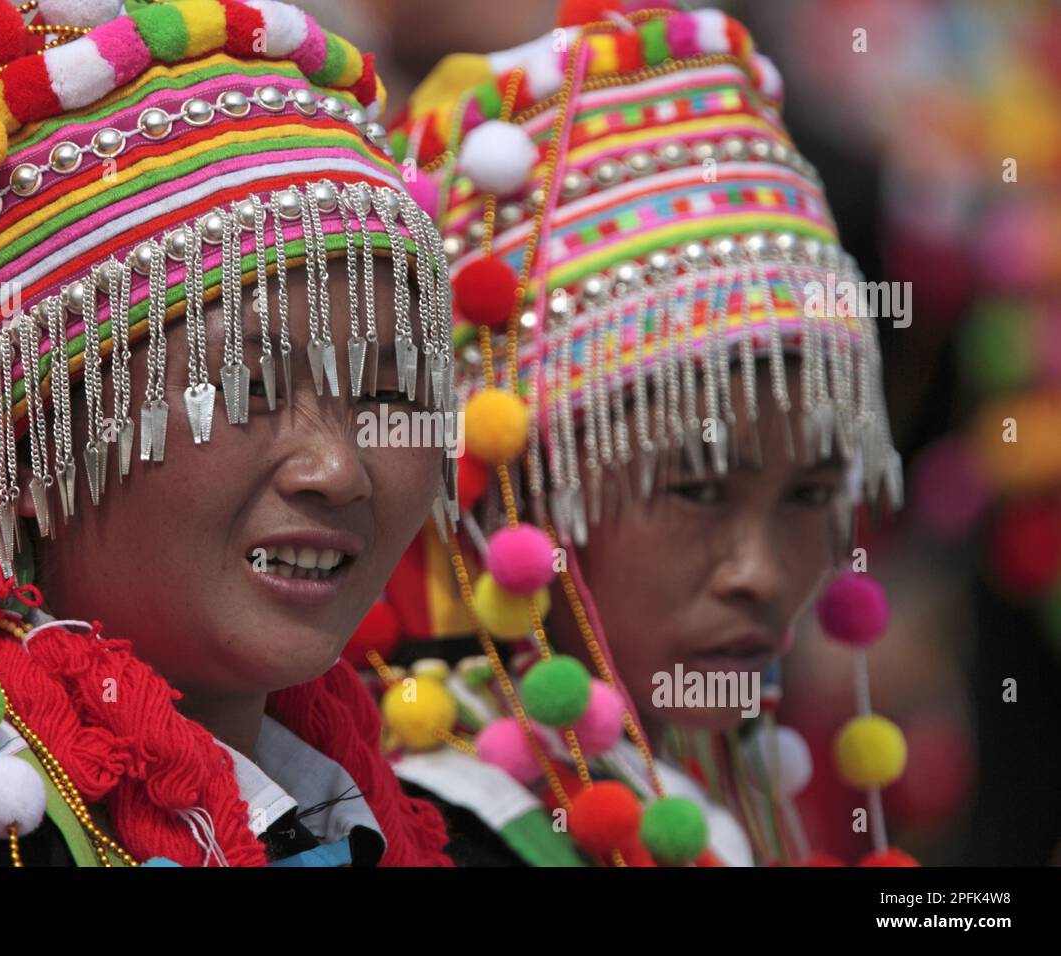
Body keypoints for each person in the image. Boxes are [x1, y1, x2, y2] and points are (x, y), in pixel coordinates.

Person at [0, 0, 457, 867]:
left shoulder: (357, 811)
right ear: (23, 452)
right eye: (245, 387)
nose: (336, 469)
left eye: (387, 392)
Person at [359, 0, 912, 866]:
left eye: (811, 493)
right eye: (695, 488)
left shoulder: (684, 786)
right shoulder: (442, 828)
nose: (760, 574)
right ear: (512, 493)